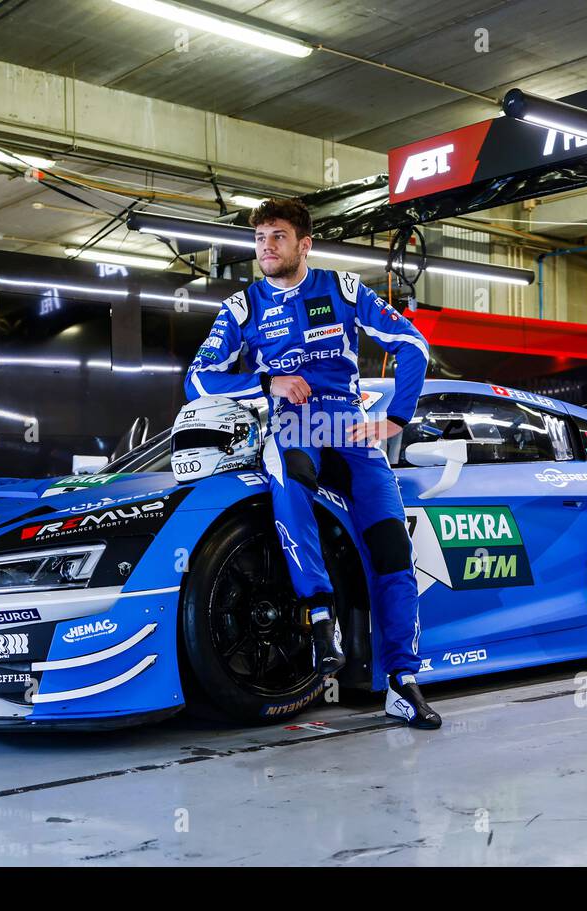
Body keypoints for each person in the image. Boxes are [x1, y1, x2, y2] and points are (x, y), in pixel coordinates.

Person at [184, 198, 442, 729]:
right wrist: (264, 382)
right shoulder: (242, 306)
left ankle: (402, 680)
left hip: (349, 428)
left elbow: (412, 343)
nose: (265, 248)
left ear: (305, 244)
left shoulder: (344, 289)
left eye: (277, 237)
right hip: (291, 425)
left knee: (394, 545)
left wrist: (395, 417)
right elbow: (198, 377)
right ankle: (320, 616)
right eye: (259, 239)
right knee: (290, 474)